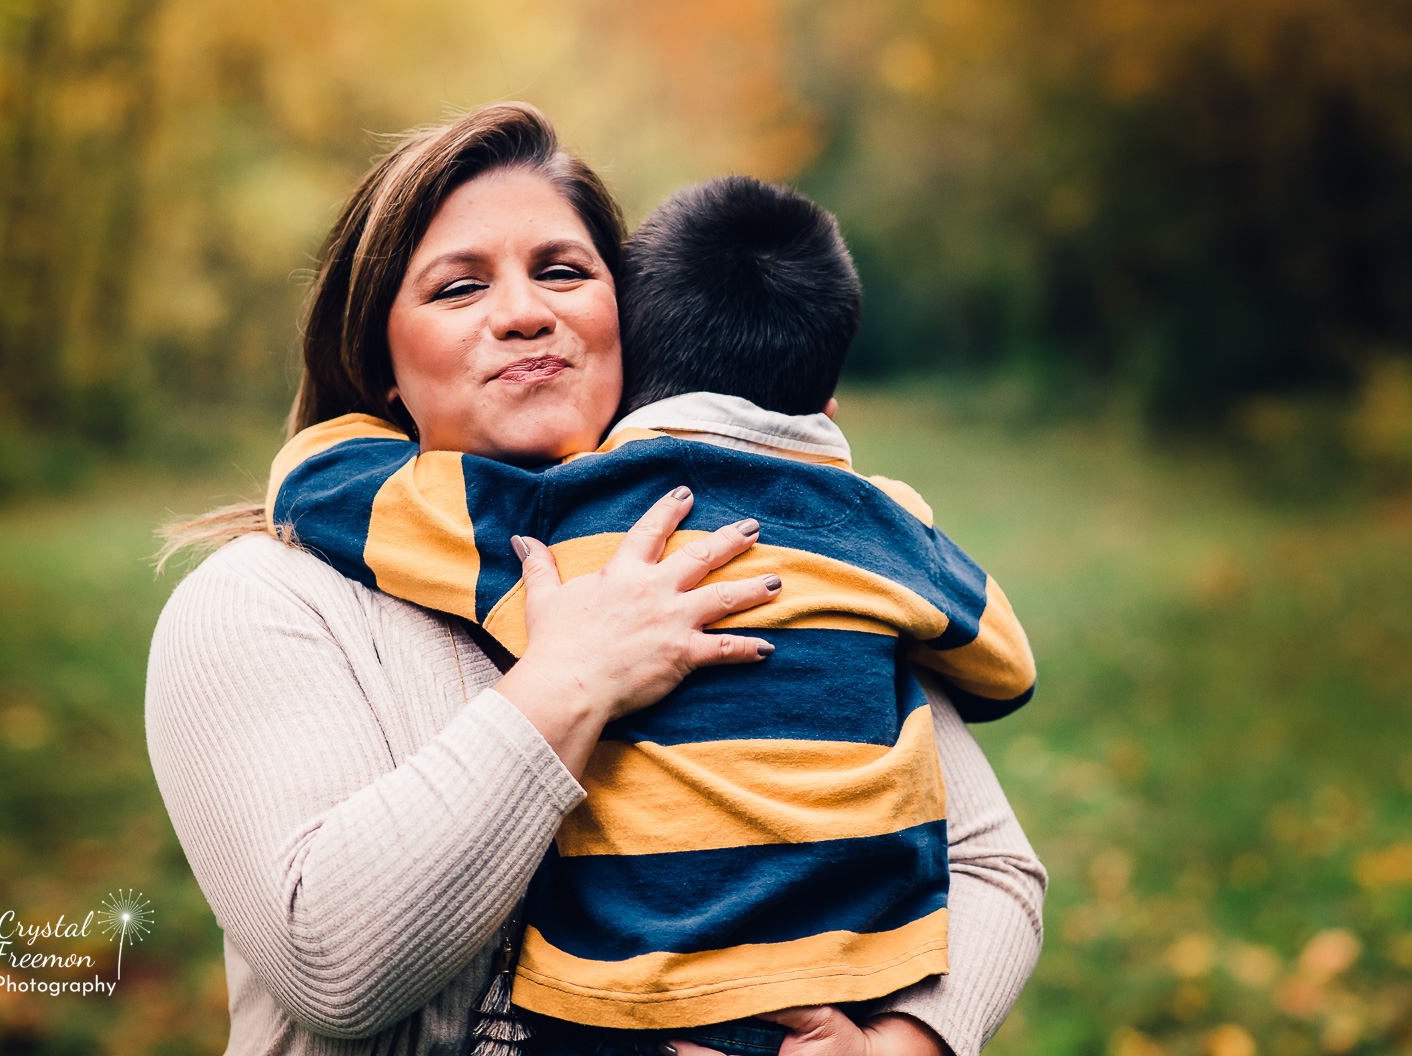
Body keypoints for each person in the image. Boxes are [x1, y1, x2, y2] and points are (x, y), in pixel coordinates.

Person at [146, 103, 1046, 1056]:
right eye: (458, 289)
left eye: (564, 272)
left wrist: (901, 1047)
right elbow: (334, 971)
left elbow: (993, 868)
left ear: (635, 321)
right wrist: (574, 677)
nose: (526, 311)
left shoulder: (747, 556)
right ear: (385, 376)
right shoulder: (259, 603)